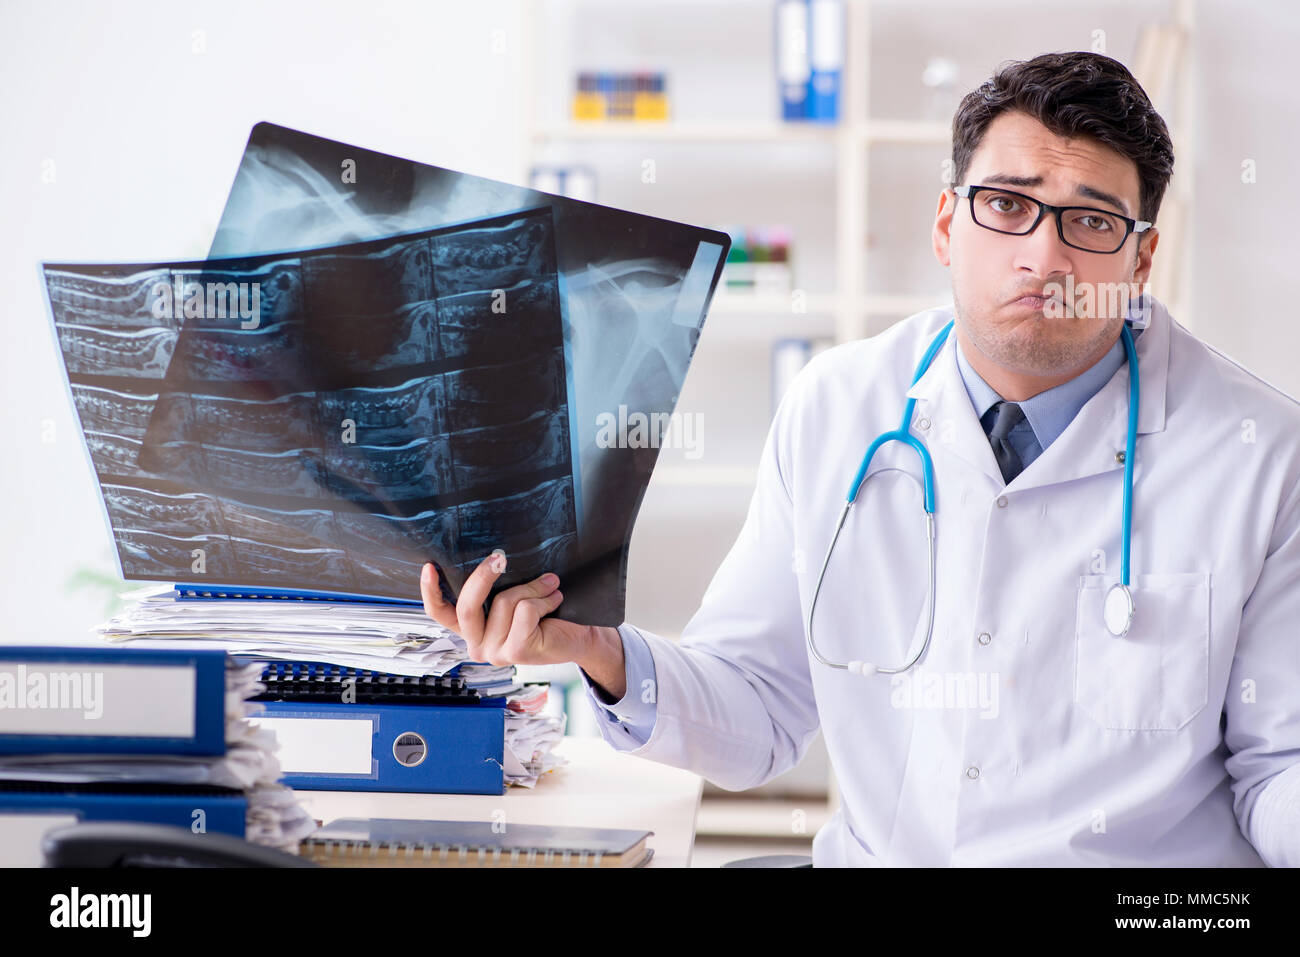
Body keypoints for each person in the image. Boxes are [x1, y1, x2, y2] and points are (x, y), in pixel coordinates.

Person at [420, 51, 1300, 867]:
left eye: (1093, 220)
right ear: (948, 223)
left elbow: (1280, 767)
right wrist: (599, 651)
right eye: (1007, 203)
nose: (1045, 253)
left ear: (1142, 257)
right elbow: (757, 708)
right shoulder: (837, 406)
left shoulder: (1261, 454)